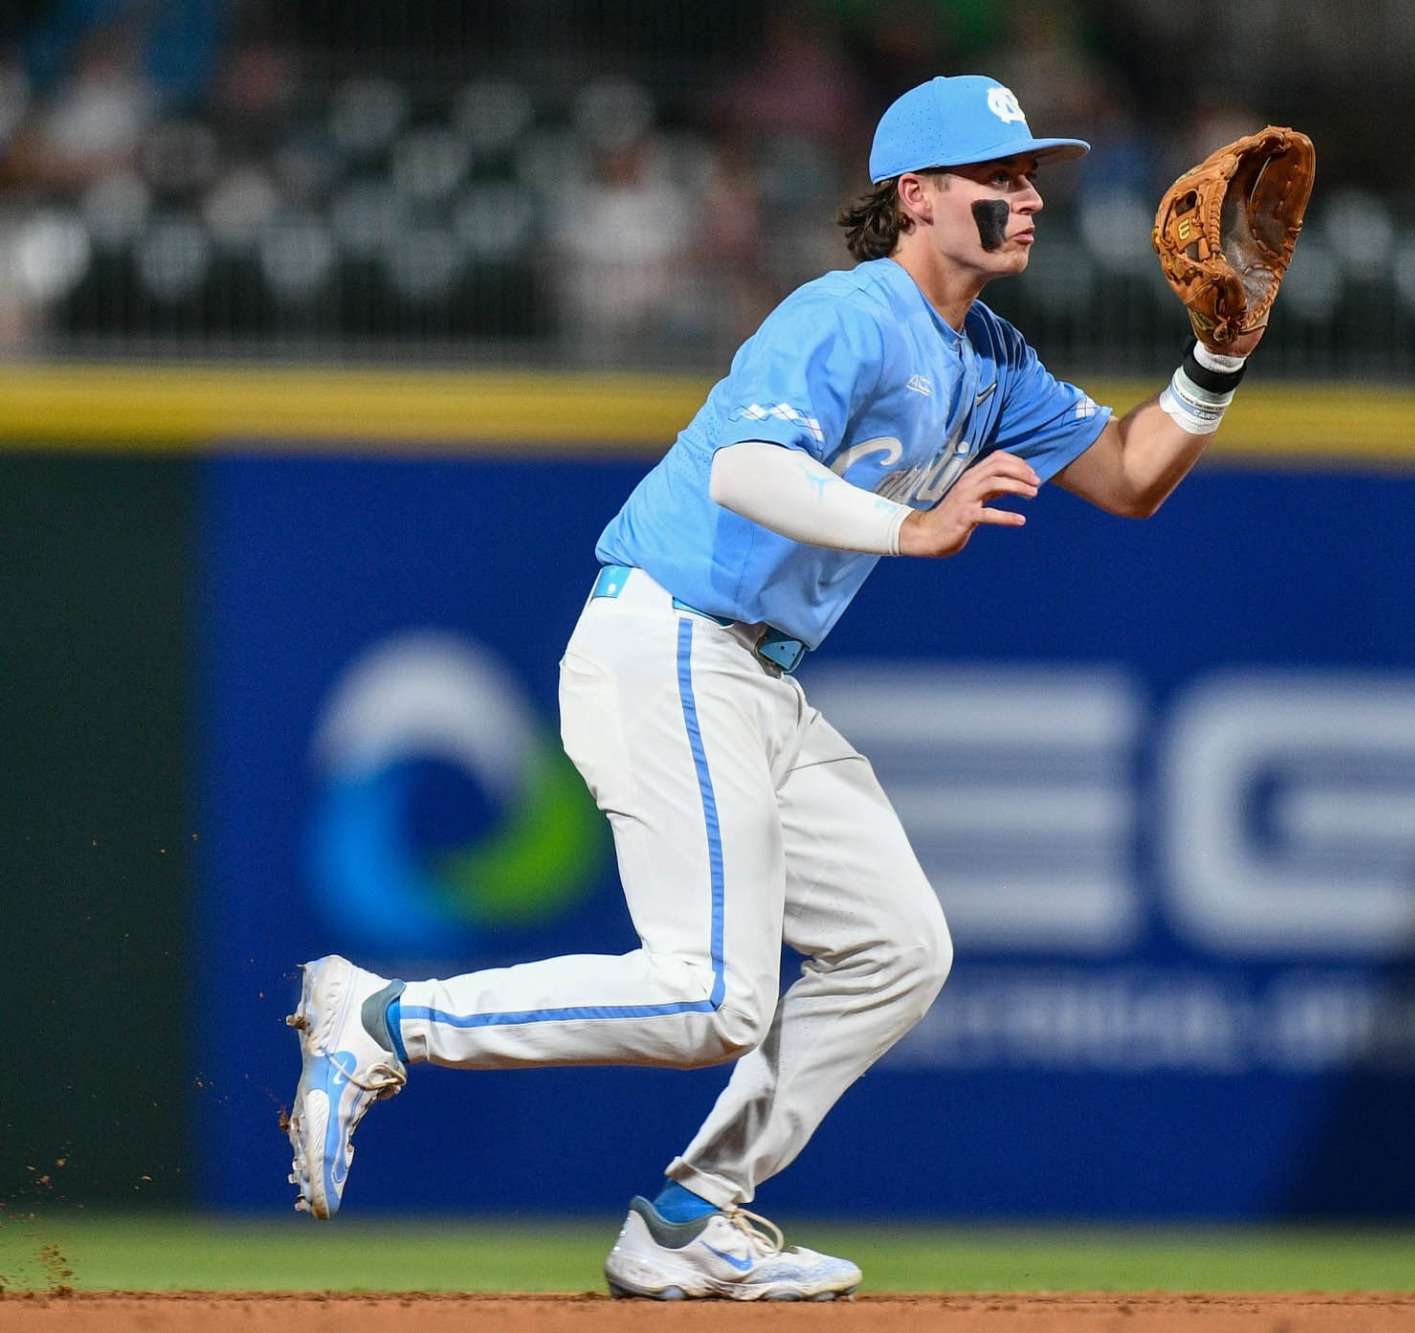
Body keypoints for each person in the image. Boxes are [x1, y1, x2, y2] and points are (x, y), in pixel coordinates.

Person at [286, 74, 1268, 1302]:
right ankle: (383, 1019)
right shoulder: (846, 313)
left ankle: (690, 1218)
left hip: (754, 675)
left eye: (1030, 177)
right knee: (710, 996)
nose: (1026, 198)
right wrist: (908, 528)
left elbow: (1127, 475)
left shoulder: (990, 357)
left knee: (897, 949)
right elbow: (745, 470)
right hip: (669, 636)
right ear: (916, 195)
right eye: (998, 177)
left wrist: (1217, 358)